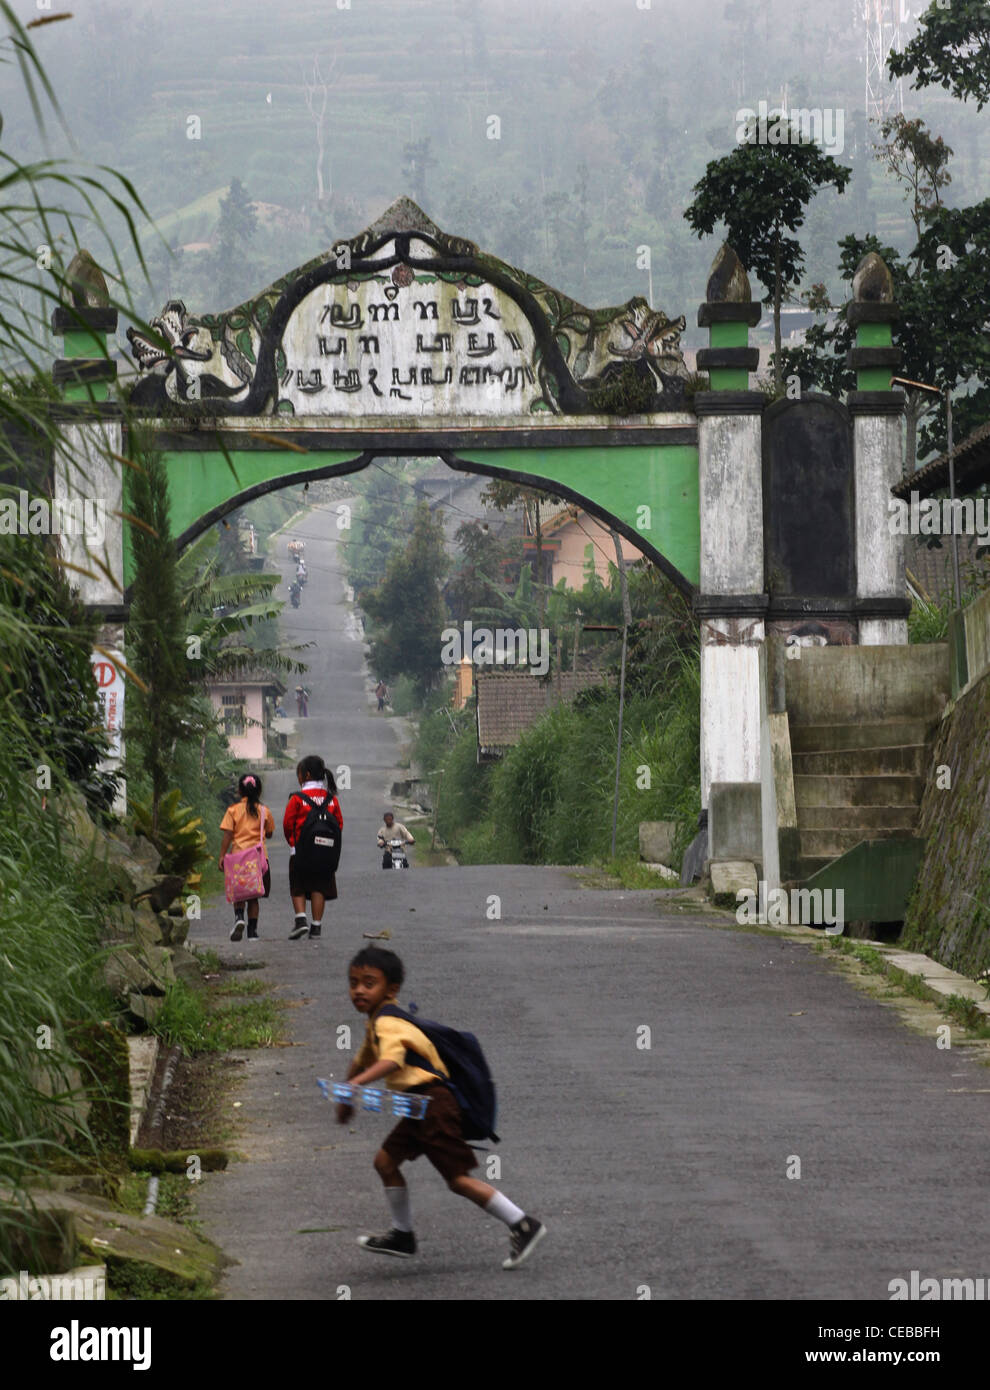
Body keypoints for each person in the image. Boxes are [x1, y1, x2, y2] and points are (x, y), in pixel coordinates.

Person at [339, 946, 546, 1269]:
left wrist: (354, 1086)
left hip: (434, 1105)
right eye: (354, 983)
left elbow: (390, 1061)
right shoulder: (378, 1021)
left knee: (457, 1179)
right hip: (418, 1107)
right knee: (385, 1162)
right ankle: (402, 1235)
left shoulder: (389, 1025)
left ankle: (522, 1223)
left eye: (369, 983)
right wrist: (345, 1090)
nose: (359, 991)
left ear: (391, 989)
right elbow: (362, 1059)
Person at [283, 754, 341, 940]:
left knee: (298, 885)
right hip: (325, 854)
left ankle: (301, 920)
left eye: (299, 774)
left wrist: (293, 844)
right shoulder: (332, 799)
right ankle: (316, 926)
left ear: (306, 775)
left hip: (301, 851)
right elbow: (338, 824)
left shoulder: (297, 799)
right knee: (319, 888)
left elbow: (287, 824)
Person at [218, 773, 275, 941]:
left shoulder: (233, 810)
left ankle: (239, 918)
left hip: (237, 858)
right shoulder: (265, 811)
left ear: (239, 791)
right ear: (259, 791)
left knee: (239, 893)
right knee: (254, 897)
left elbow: (228, 835)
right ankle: (252, 932)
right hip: (257, 860)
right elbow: (270, 833)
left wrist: (222, 856)